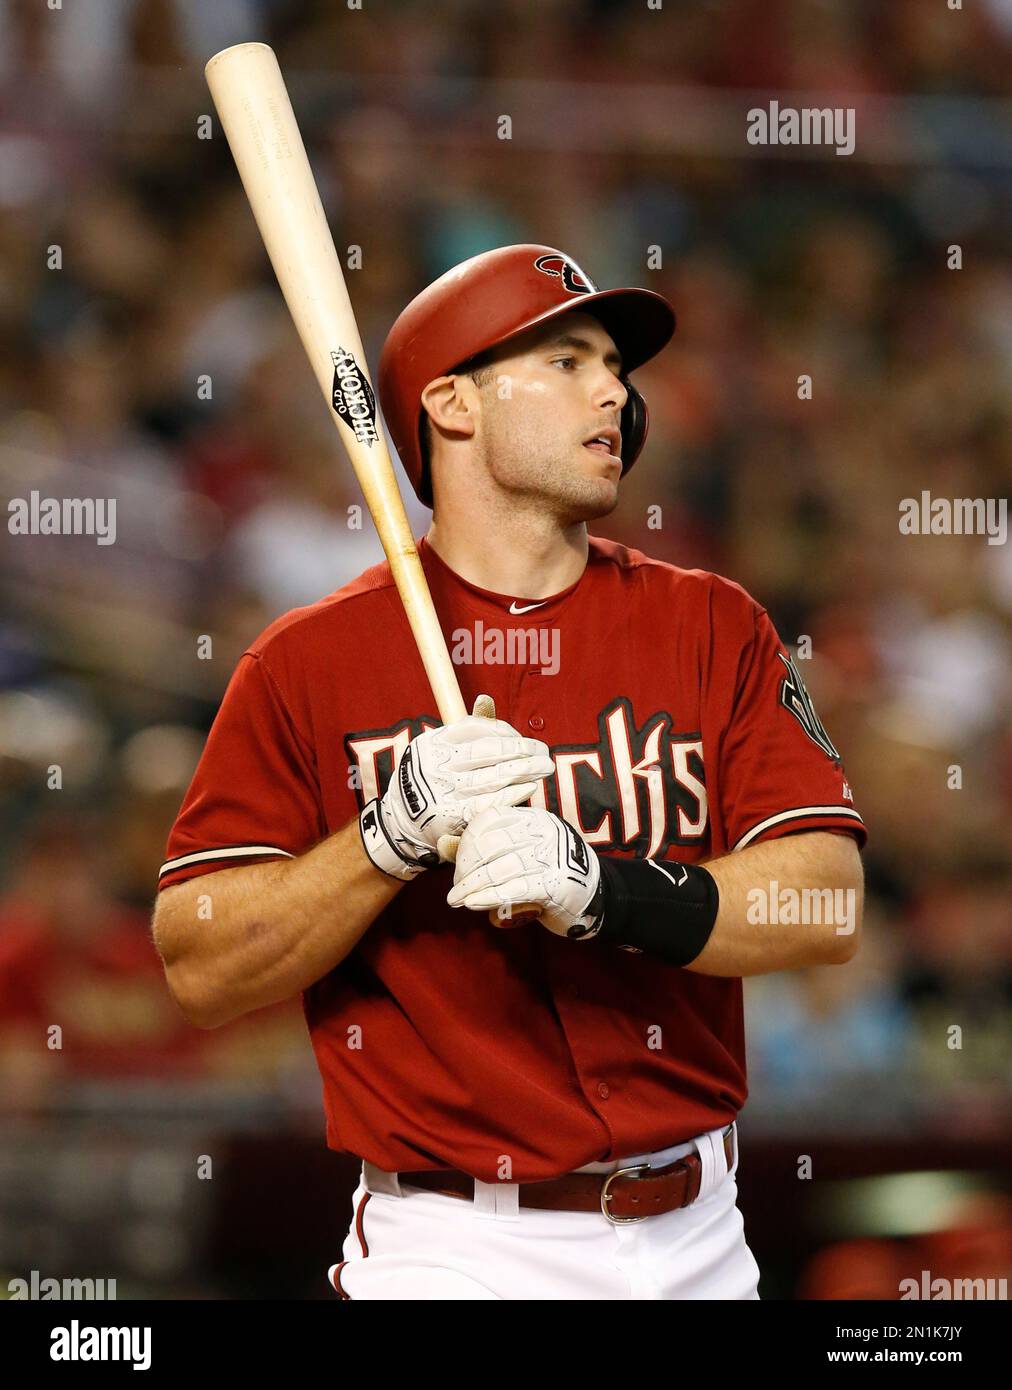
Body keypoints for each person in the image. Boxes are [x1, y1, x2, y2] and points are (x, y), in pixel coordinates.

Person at [152, 244, 866, 1300]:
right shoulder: (309, 662)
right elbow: (198, 963)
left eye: (616, 368)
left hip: (700, 1230)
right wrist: (385, 840)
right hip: (452, 1244)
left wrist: (603, 891)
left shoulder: (712, 623)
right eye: (568, 360)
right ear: (451, 402)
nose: (614, 391)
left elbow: (825, 901)